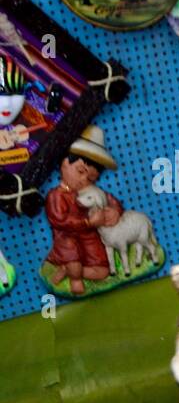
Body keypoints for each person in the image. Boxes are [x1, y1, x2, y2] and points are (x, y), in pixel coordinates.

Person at [44, 125, 121, 295]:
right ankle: (75, 278)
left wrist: (114, 211)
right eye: (80, 171)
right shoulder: (56, 195)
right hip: (67, 238)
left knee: (103, 271)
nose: (84, 180)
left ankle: (69, 271)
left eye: (91, 178)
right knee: (71, 253)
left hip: (89, 237)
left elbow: (110, 200)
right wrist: (87, 222)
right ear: (64, 164)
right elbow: (59, 221)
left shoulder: (90, 192)